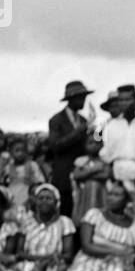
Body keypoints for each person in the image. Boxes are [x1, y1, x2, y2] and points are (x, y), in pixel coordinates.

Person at [69, 182, 135, 271]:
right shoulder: (94, 215)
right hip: (92, 258)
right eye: (110, 194)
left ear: (127, 200)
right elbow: (86, 246)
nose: (111, 198)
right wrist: (116, 251)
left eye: (117, 195)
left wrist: (129, 258)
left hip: (120, 263)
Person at [100, 85, 135, 215]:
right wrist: (114, 178)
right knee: (117, 213)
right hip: (117, 175)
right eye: (121, 100)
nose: (124, 104)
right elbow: (106, 156)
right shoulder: (110, 126)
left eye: (128, 99)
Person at [47, 80, 94, 218]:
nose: (84, 101)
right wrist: (78, 132)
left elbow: (93, 144)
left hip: (82, 176)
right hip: (63, 177)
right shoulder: (56, 120)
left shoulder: (84, 120)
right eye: (81, 98)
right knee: (64, 214)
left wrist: (98, 131)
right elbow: (56, 146)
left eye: (84, 97)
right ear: (71, 99)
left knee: (81, 214)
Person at [16, 182, 76, 271]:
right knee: (23, 269)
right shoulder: (26, 222)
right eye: (41, 198)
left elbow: (68, 254)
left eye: (48, 198)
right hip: (31, 262)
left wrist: (49, 260)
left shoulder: (65, 222)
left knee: (58, 270)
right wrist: (39, 260)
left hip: (54, 262)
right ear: (35, 202)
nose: (44, 201)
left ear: (56, 202)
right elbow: (20, 252)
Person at [71, 132, 110, 218]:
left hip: (100, 194)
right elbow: (76, 175)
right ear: (85, 145)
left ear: (101, 145)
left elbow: (105, 175)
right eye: (90, 143)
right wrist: (95, 169)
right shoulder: (81, 160)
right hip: (84, 194)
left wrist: (85, 174)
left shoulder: (104, 161)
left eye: (97, 143)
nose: (94, 145)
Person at [2, 136, 45, 210]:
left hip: (28, 198)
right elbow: (4, 182)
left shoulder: (32, 165)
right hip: (12, 198)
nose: (20, 153)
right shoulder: (8, 167)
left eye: (23, 150)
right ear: (11, 153)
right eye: (17, 150)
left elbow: (40, 181)